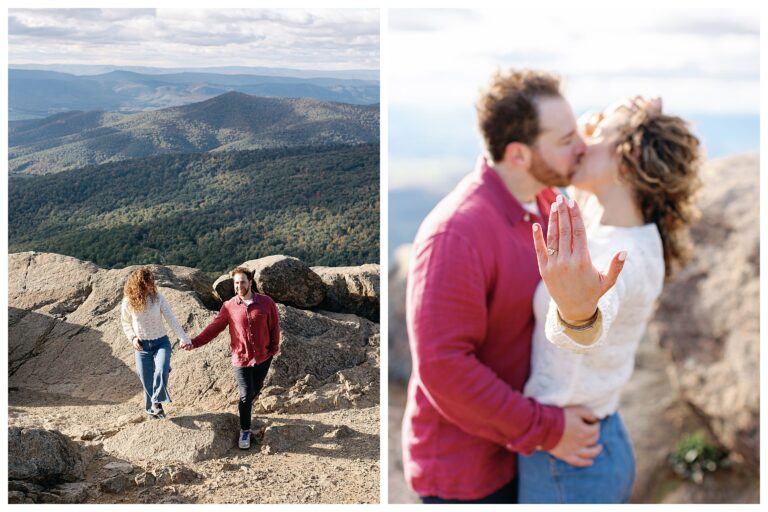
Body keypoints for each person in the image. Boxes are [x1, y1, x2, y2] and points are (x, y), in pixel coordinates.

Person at [402, 69, 605, 504]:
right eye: (567, 138)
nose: (582, 147)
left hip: (521, 453)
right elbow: (445, 367)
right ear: (518, 155)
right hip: (466, 474)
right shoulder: (456, 234)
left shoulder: (547, 202)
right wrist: (548, 429)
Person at [519, 97, 701, 503]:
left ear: (628, 156)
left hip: (570, 458)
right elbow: (575, 162)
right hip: (594, 439)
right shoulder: (607, 214)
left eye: (596, 135)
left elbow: (595, 315)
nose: (582, 141)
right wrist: (631, 120)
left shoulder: (624, 254)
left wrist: (577, 313)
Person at [183, 266, 280, 450]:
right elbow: (214, 328)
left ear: (250, 282)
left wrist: (274, 348)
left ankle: (246, 413)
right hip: (241, 358)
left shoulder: (266, 303)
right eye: (236, 283)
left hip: (263, 357)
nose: (239, 286)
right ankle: (245, 430)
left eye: (242, 282)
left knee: (255, 389)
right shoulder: (229, 306)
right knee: (245, 395)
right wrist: (194, 342)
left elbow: (274, 325)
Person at [121, 267, 192, 419]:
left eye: (152, 282)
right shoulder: (128, 301)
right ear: (139, 284)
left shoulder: (158, 298)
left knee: (161, 371)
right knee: (145, 378)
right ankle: (151, 410)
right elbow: (125, 322)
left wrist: (183, 338)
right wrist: (133, 338)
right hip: (142, 346)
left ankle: (156, 402)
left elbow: (171, 319)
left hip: (161, 343)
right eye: (148, 283)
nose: (152, 285)